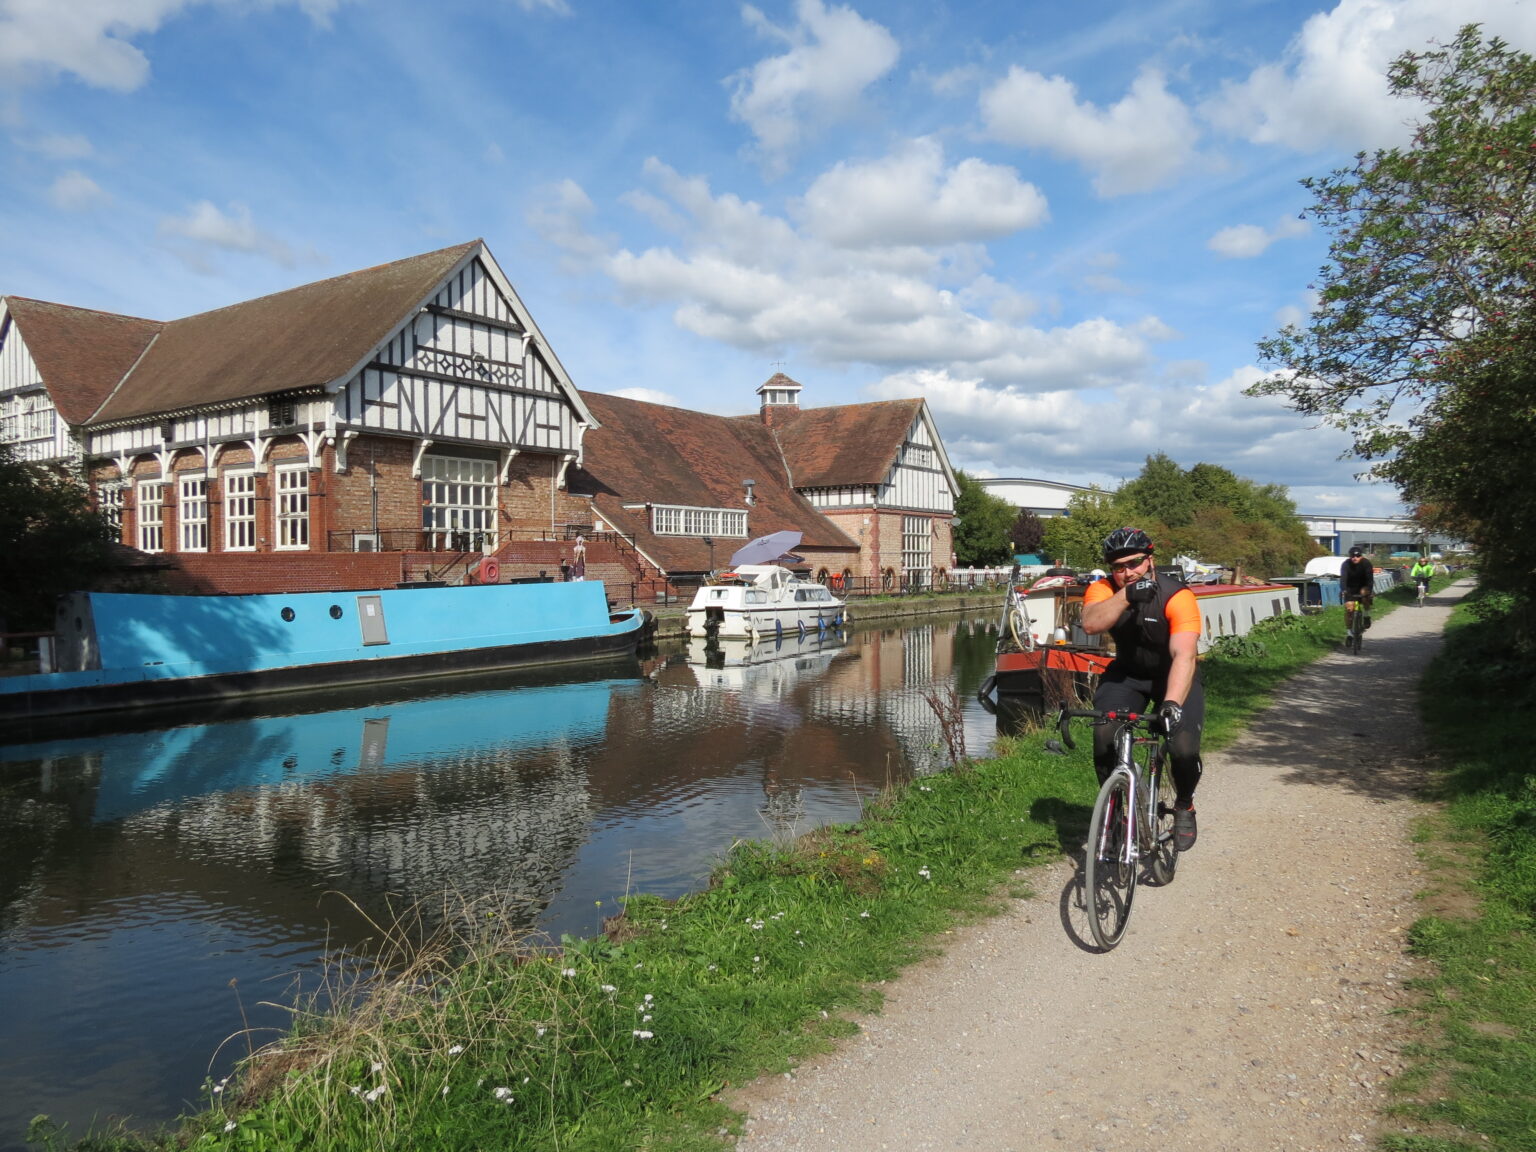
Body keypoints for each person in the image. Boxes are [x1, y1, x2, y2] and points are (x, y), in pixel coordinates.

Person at [1080, 527, 1204, 851]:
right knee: (1104, 734)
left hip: (1172, 674)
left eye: (1134, 563)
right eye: (1118, 567)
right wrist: (1126, 594)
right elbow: (1091, 623)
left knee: (1183, 748)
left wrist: (1172, 703)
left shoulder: (1177, 596)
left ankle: (1184, 804)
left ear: (1150, 560)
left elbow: (1184, 654)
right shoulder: (1103, 589)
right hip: (1128, 674)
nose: (1127, 572)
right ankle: (1118, 812)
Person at [1340, 547, 1375, 635]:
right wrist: (1343, 590)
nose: (1355, 558)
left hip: (1363, 586)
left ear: (1361, 556)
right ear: (1349, 556)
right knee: (1349, 609)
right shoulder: (1346, 564)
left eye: (1358, 555)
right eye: (1353, 556)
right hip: (1350, 588)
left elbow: (1370, 579)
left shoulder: (1366, 563)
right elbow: (1343, 578)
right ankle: (1349, 633)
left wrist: (1370, 591)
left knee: (1365, 594)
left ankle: (1366, 615)